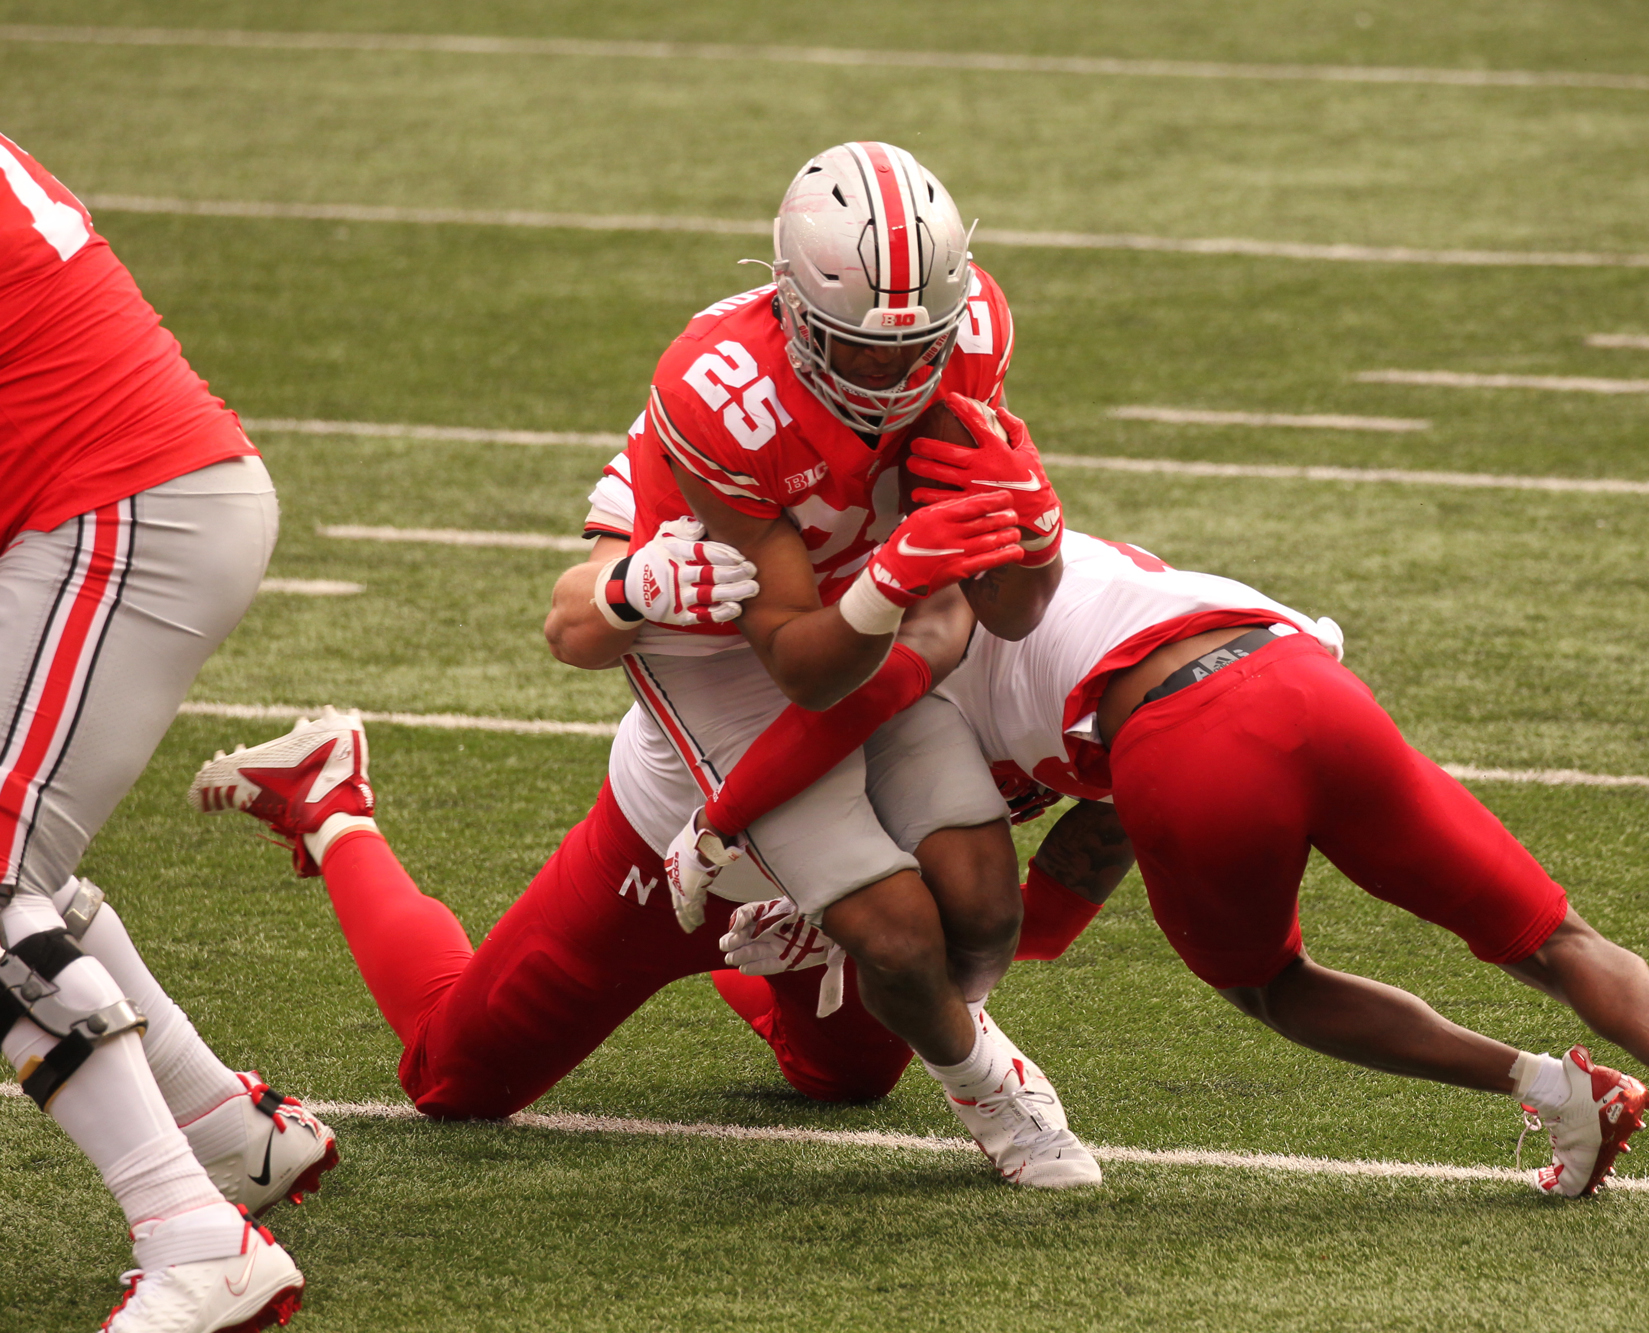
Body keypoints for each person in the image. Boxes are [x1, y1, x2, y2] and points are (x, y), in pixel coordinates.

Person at [631, 428, 1649, 1234]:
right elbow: (1045, 912)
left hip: (1184, 740)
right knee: (1548, 932)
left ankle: (1551, 1091)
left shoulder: (938, 618)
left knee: (1273, 984)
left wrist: (732, 832)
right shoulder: (1088, 569)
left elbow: (914, 773)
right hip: (1305, 678)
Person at [195, 141, 1100, 1188]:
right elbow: (575, 628)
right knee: (455, 1077)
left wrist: (1031, 535)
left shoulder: (960, 338)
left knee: (871, 1050)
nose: (897, 379)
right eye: (861, 353)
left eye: (918, 349)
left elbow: (973, 609)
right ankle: (331, 804)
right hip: (699, 764)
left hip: (859, 669)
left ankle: (800, 930)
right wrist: (635, 589)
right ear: (795, 315)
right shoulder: (716, 402)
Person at [0, 132, 334, 1332]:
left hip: (117, 510)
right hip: (127, 500)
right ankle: (224, 1131)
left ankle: (193, 1234)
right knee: (14, 862)